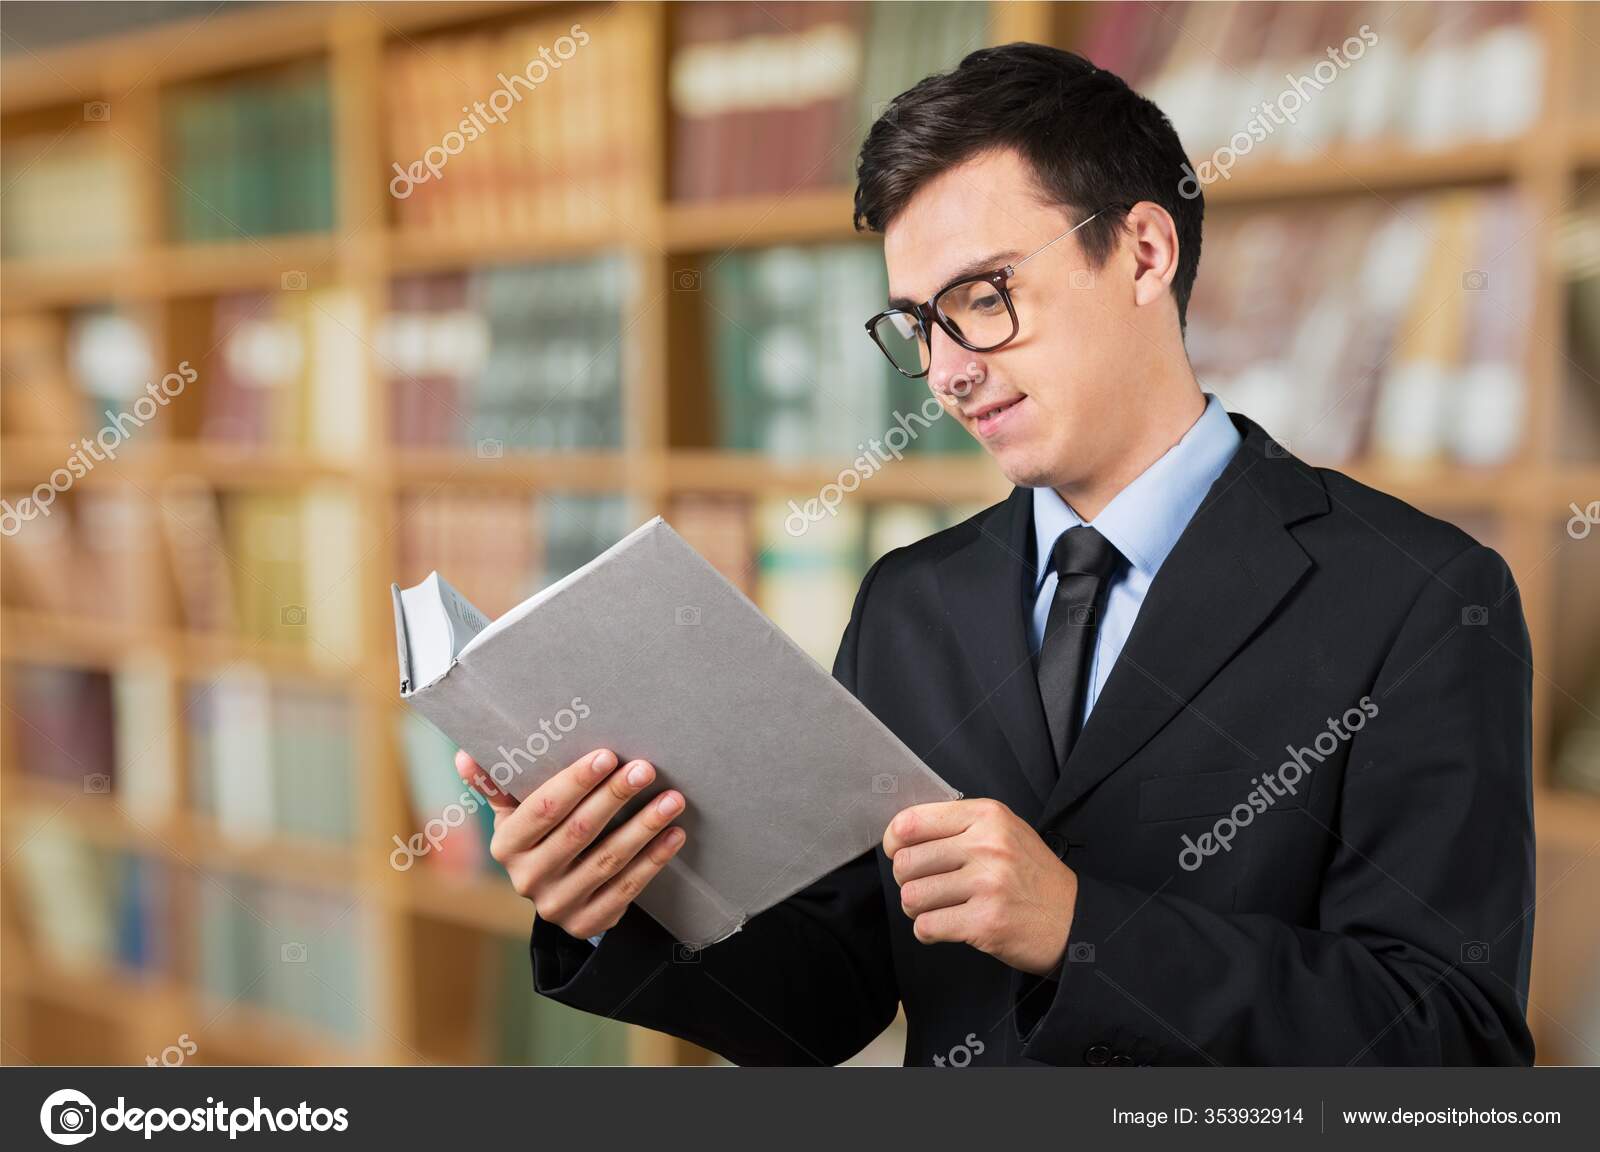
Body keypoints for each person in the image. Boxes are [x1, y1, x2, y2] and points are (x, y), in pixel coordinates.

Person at [456, 42, 1534, 1066]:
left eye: (983, 297)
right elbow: (827, 999)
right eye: (919, 324)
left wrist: (1081, 931)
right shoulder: (910, 603)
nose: (947, 373)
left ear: (1144, 253)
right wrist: (616, 905)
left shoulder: (1422, 597)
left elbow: (1453, 1044)